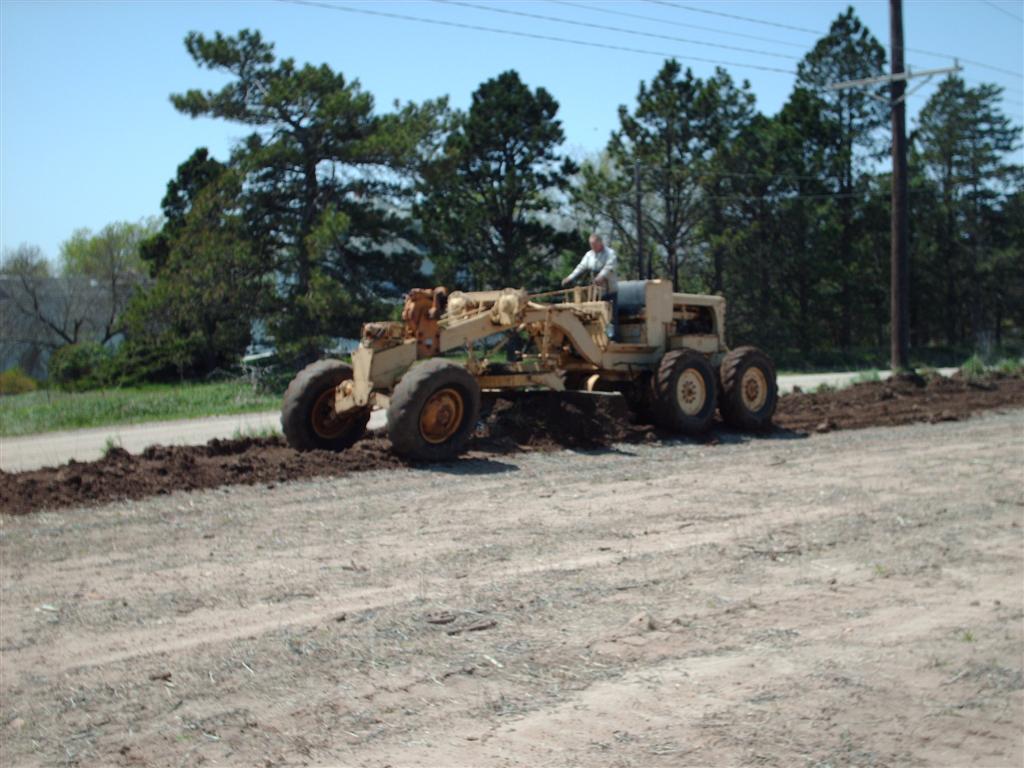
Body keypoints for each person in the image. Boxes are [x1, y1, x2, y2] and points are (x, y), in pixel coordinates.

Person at [562, 233, 619, 339]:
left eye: (594, 244)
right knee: (594, 317)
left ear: (600, 242)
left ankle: (614, 340)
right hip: (596, 293)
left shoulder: (610, 253)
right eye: (591, 244)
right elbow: (581, 266)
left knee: (611, 317)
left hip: (610, 291)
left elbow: (609, 267)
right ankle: (595, 340)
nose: (592, 247)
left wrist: (601, 277)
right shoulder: (589, 255)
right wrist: (570, 277)